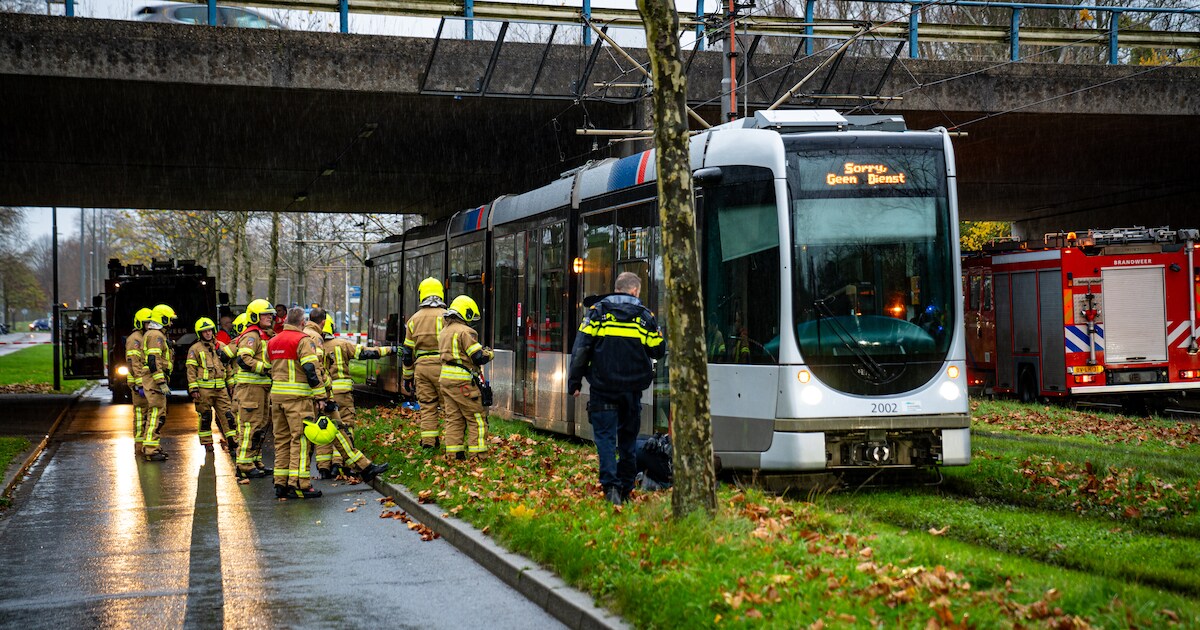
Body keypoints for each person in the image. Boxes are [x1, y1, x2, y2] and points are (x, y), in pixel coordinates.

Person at [567, 272, 665, 506]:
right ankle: (626, 488)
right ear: (635, 292)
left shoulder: (598, 313)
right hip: (632, 392)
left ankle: (610, 488)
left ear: (617, 289)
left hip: (603, 388)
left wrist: (575, 382)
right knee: (628, 441)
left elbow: (581, 348)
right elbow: (658, 350)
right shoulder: (645, 317)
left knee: (606, 440)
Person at [314, 310, 394, 477]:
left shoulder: (313, 346)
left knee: (323, 428)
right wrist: (391, 350)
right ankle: (338, 463)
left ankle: (323, 467)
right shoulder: (342, 345)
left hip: (322, 394)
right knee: (343, 426)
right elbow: (367, 352)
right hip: (342, 394)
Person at [438, 295, 493, 461]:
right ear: (465, 313)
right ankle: (478, 455)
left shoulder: (444, 331)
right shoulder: (466, 332)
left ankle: (454, 455)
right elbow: (477, 357)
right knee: (476, 418)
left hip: (446, 380)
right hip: (463, 383)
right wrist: (489, 354)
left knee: (453, 418)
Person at [402, 277, 448, 449]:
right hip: (443, 368)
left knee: (428, 406)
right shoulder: (446, 317)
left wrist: (407, 377)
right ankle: (451, 443)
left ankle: (428, 443)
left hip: (421, 369)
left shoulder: (413, 320)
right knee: (448, 407)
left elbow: (407, 353)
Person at [234, 299, 276, 479]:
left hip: (261, 388)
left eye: (270, 314)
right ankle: (244, 463)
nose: (270, 317)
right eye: (265, 314)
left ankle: (255, 459)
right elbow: (243, 359)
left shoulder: (262, 335)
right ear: (254, 316)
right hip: (251, 388)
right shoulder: (251, 336)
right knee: (250, 425)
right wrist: (265, 368)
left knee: (260, 425)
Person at [186, 317, 236, 454]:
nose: (208, 334)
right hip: (203, 391)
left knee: (229, 416)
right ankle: (207, 442)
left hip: (221, 390)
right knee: (205, 417)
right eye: (204, 332)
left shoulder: (221, 346)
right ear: (199, 334)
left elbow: (228, 367)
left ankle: (233, 441)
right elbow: (191, 370)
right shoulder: (195, 349)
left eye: (209, 331)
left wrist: (231, 385)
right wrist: (193, 389)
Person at [141, 303, 178, 462]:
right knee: (156, 413)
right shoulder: (156, 336)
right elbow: (153, 360)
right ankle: (150, 449)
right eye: (169, 320)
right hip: (155, 380)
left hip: (155, 379)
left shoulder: (157, 335)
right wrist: (161, 381)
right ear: (162, 319)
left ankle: (152, 446)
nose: (171, 323)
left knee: (157, 413)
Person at [125, 307, 154, 455]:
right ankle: (139, 445)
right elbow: (134, 363)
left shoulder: (145, 337)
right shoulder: (135, 339)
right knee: (140, 416)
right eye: (146, 323)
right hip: (139, 385)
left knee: (149, 415)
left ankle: (146, 444)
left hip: (146, 383)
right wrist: (139, 384)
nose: (149, 325)